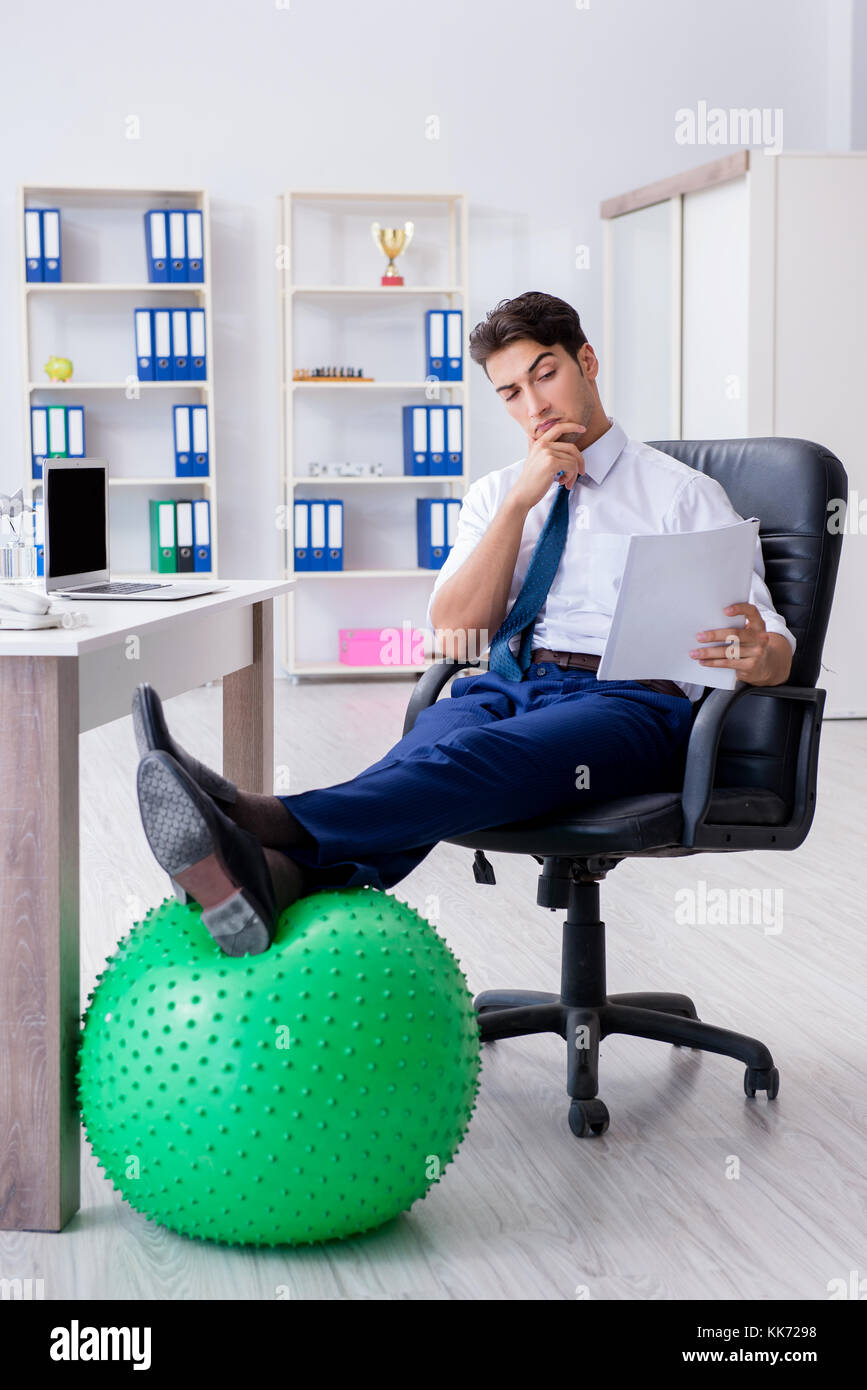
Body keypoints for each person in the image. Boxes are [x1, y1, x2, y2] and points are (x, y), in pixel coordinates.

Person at [135, 290, 796, 957]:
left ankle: (251, 815)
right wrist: (518, 505)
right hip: (506, 685)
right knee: (430, 749)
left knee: (466, 760)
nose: (534, 406)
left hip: (626, 703)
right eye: (510, 392)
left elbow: (773, 650)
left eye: (545, 374)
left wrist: (754, 652)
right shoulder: (497, 494)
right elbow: (455, 633)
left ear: (586, 362)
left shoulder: (679, 494)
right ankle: (278, 876)